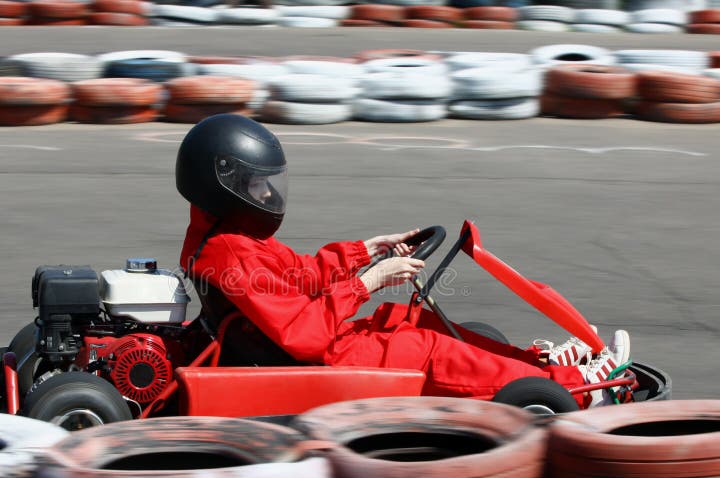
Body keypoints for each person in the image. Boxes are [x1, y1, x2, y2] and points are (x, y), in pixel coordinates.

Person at [177, 114, 632, 409]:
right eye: (257, 186)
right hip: (315, 358)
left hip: (320, 341)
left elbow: (300, 275)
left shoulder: (231, 236)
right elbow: (302, 335)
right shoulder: (230, 251)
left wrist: (368, 250)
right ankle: (576, 389)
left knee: (410, 321)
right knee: (423, 348)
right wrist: (369, 282)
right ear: (224, 185)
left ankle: (543, 367)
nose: (268, 195)